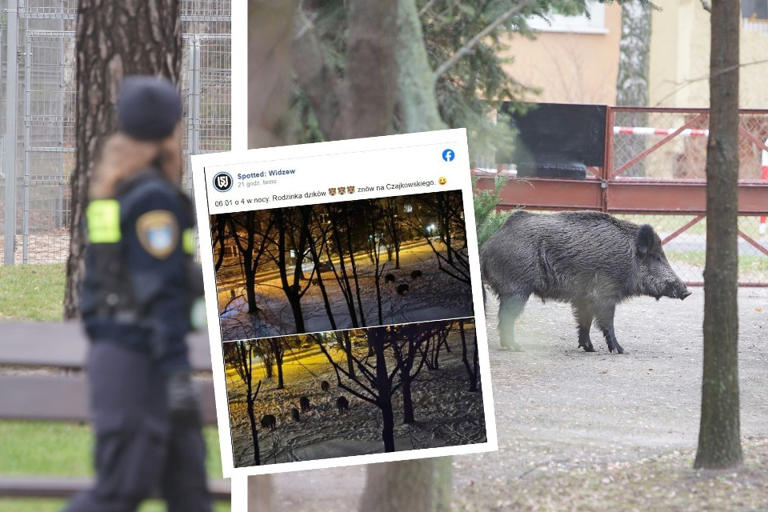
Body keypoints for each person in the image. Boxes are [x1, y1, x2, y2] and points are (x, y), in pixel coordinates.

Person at [64, 76, 211, 512]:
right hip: (140, 364)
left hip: (132, 356)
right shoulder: (152, 199)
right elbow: (157, 293)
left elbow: (144, 275)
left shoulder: (121, 187)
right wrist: (178, 375)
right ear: (170, 132)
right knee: (119, 491)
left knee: (189, 493)